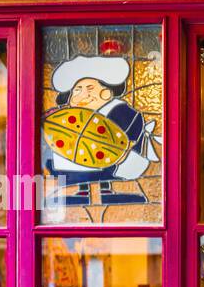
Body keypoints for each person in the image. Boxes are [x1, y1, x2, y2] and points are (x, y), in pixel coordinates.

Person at [42, 53, 160, 206]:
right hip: (73, 165)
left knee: (106, 170)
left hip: (115, 163)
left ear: (106, 93)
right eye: (77, 90)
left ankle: (105, 191)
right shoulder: (64, 117)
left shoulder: (121, 112)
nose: (82, 95)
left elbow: (132, 135)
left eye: (90, 89)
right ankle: (83, 191)